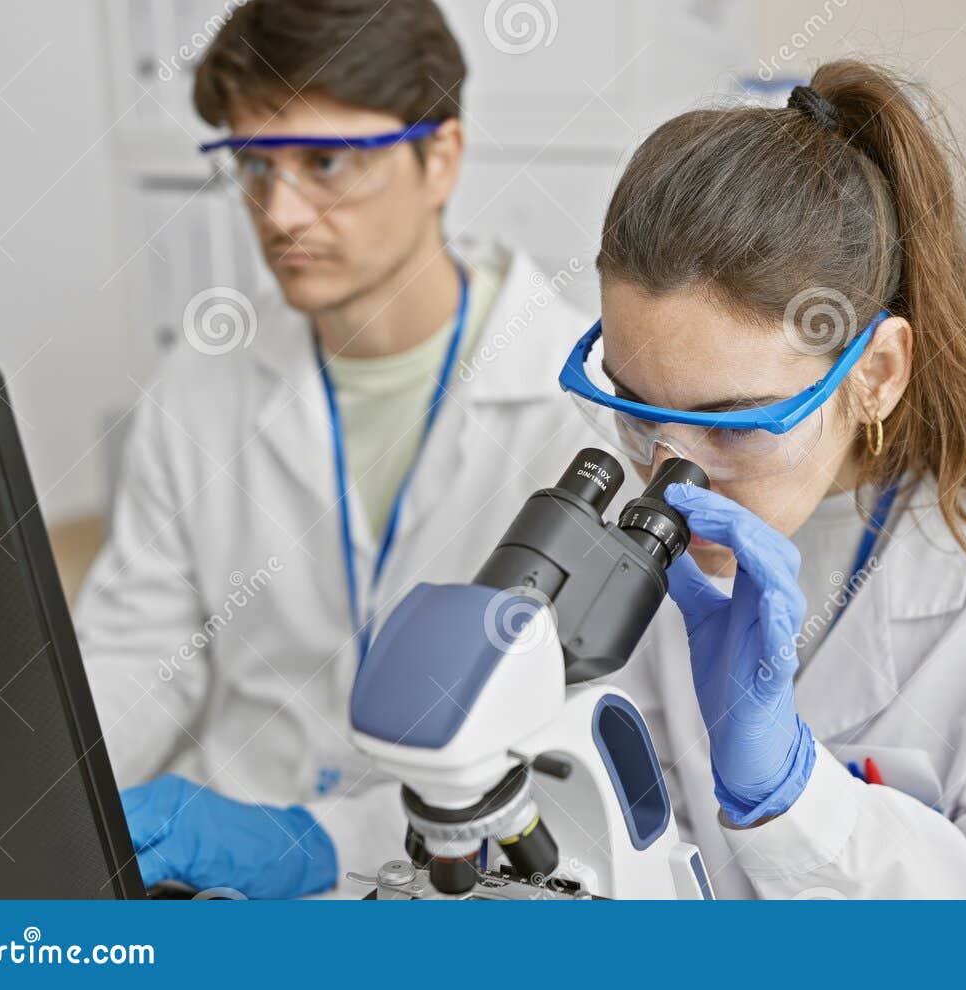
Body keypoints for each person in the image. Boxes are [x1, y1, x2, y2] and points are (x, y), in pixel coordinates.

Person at [564, 61, 966, 898]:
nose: (669, 477)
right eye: (638, 408)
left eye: (734, 424)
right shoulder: (636, 478)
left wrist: (792, 797)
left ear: (876, 370)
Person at [77, 0, 590, 898]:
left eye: (324, 163)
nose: (279, 212)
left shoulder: (579, 404)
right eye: (252, 165)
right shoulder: (201, 381)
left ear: (441, 158)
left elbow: (583, 738)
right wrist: (42, 793)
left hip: (474, 882)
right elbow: (139, 652)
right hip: (216, 871)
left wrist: (319, 838)